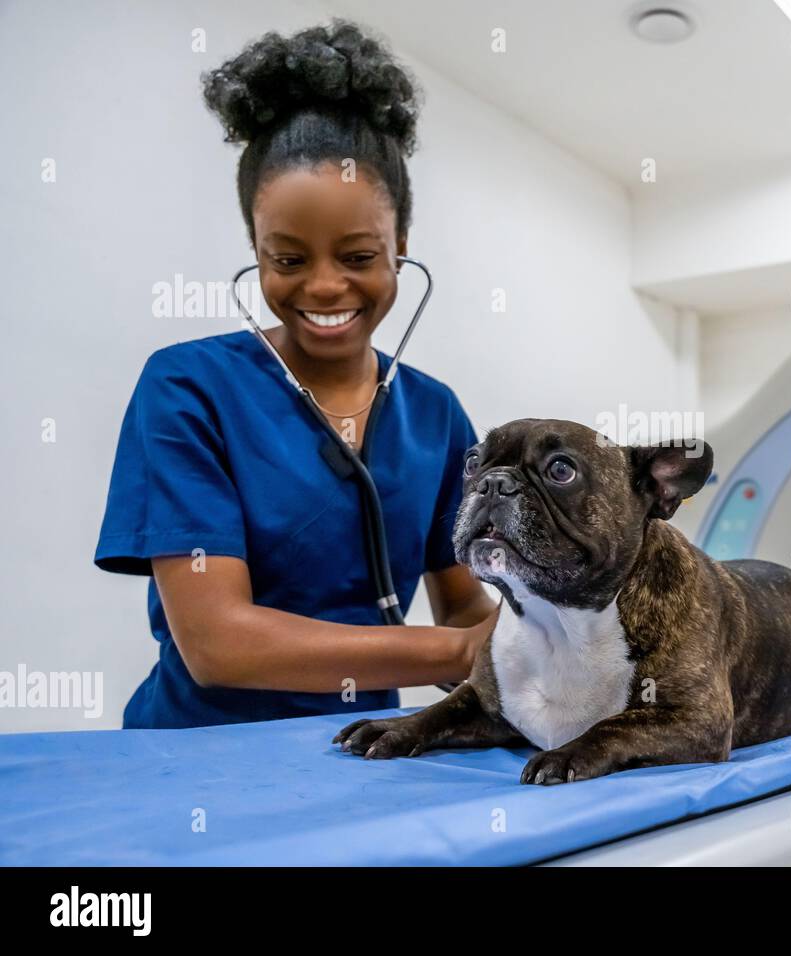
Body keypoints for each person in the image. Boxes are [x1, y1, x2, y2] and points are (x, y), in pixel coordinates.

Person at [94, 19, 499, 729]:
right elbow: (219, 644)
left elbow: (465, 603)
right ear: (255, 247)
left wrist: (535, 649)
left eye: (357, 256)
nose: (323, 287)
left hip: (361, 751)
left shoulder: (435, 415)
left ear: (400, 244)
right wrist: (461, 653)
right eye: (287, 260)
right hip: (198, 763)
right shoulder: (188, 390)